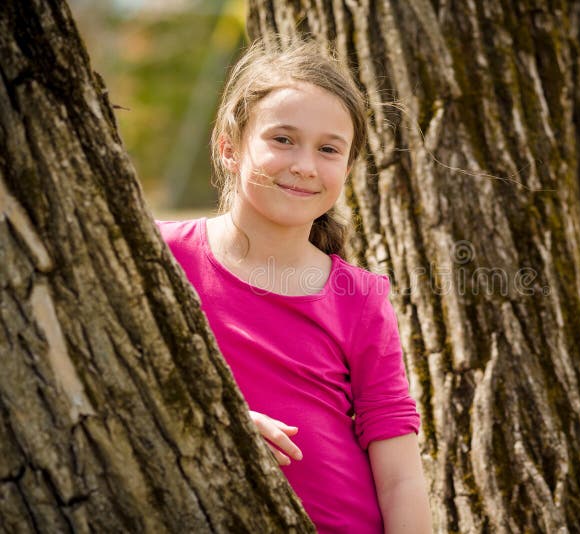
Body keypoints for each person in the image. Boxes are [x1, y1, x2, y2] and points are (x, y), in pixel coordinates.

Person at [157, 37, 432, 533]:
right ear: (228, 145)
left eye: (328, 149)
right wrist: (221, 423)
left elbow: (400, 476)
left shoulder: (360, 297)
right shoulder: (162, 256)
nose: (305, 164)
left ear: (346, 170)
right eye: (282, 139)